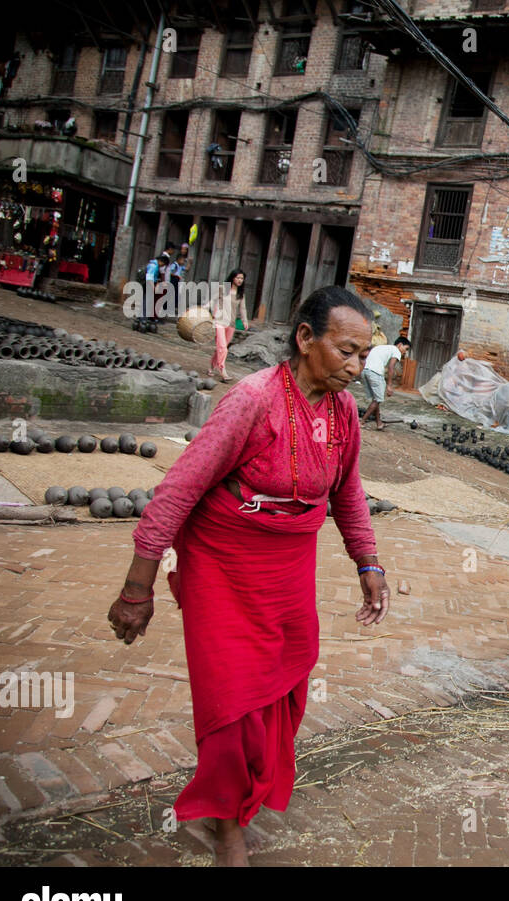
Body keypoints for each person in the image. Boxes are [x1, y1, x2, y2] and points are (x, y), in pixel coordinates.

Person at [106, 286, 389, 865]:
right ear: (306, 339)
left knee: (282, 688)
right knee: (234, 695)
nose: (357, 368)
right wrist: (138, 587)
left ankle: (237, 802)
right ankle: (227, 823)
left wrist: (369, 561)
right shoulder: (252, 401)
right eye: (346, 351)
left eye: (364, 355)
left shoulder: (342, 415)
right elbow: (179, 488)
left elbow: (348, 492)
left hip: (288, 564)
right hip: (223, 558)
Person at [207, 268, 248, 382]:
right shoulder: (222, 289)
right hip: (219, 321)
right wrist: (204, 308)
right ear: (232, 278)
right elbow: (213, 300)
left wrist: (245, 320)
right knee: (223, 348)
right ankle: (223, 371)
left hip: (231, 323)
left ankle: (211, 366)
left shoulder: (241, 294)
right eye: (238, 277)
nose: (240, 280)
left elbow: (243, 308)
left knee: (221, 347)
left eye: (242, 278)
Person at [360, 336, 408, 430]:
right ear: (400, 345)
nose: (405, 352)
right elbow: (391, 367)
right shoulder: (396, 350)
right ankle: (361, 422)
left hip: (365, 371)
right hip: (375, 372)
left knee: (376, 399)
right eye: (406, 348)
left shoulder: (383, 347)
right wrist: (389, 385)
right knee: (378, 399)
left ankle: (379, 423)